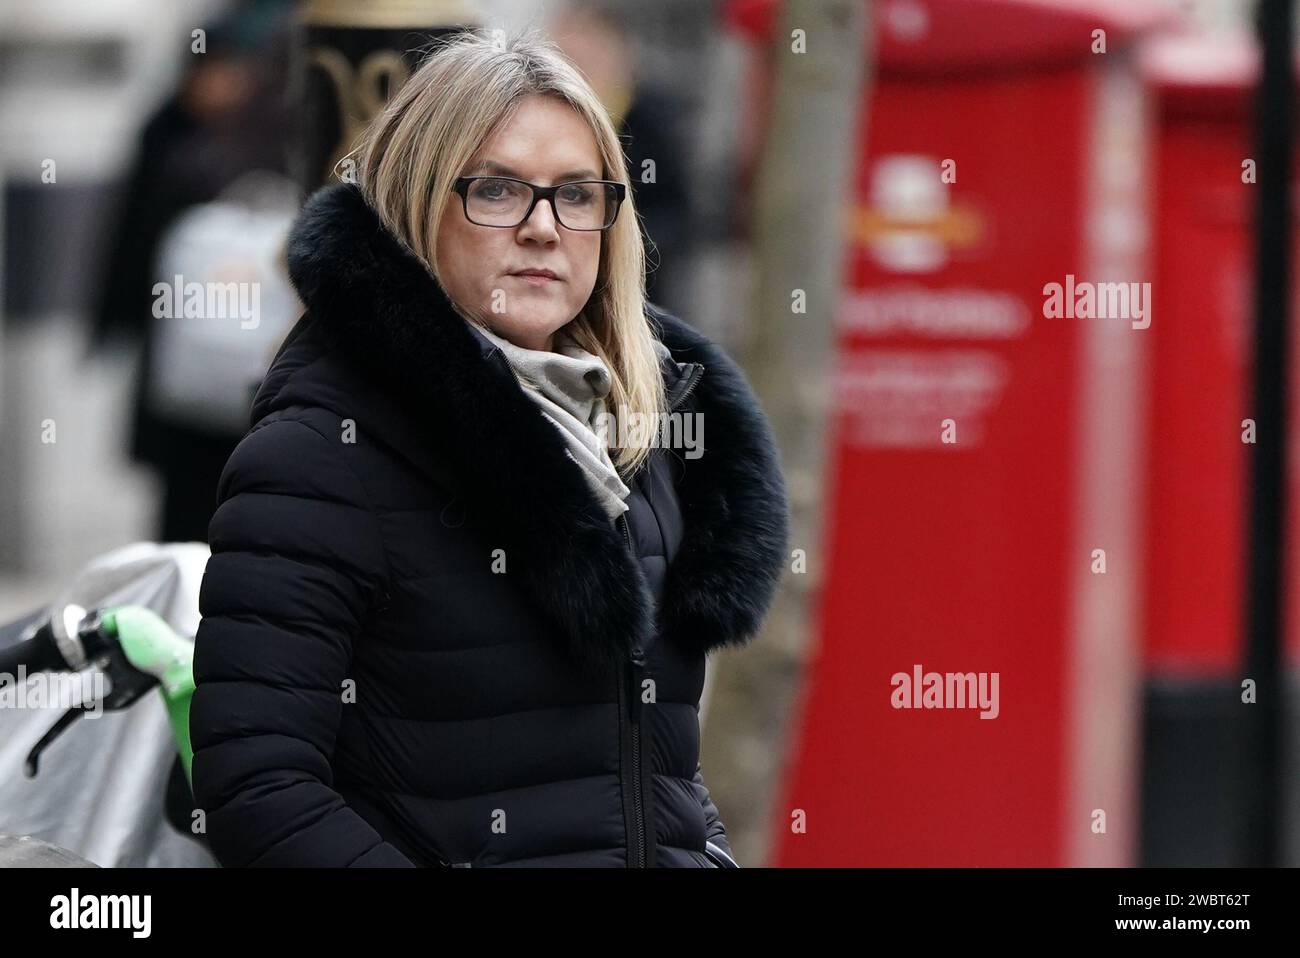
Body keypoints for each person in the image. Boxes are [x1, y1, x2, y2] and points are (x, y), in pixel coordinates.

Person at [189, 29, 789, 868]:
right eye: (499, 190)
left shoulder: (637, 426)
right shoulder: (323, 451)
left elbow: (653, 773)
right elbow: (257, 787)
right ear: (414, 200)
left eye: (578, 195)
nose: (545, 228)